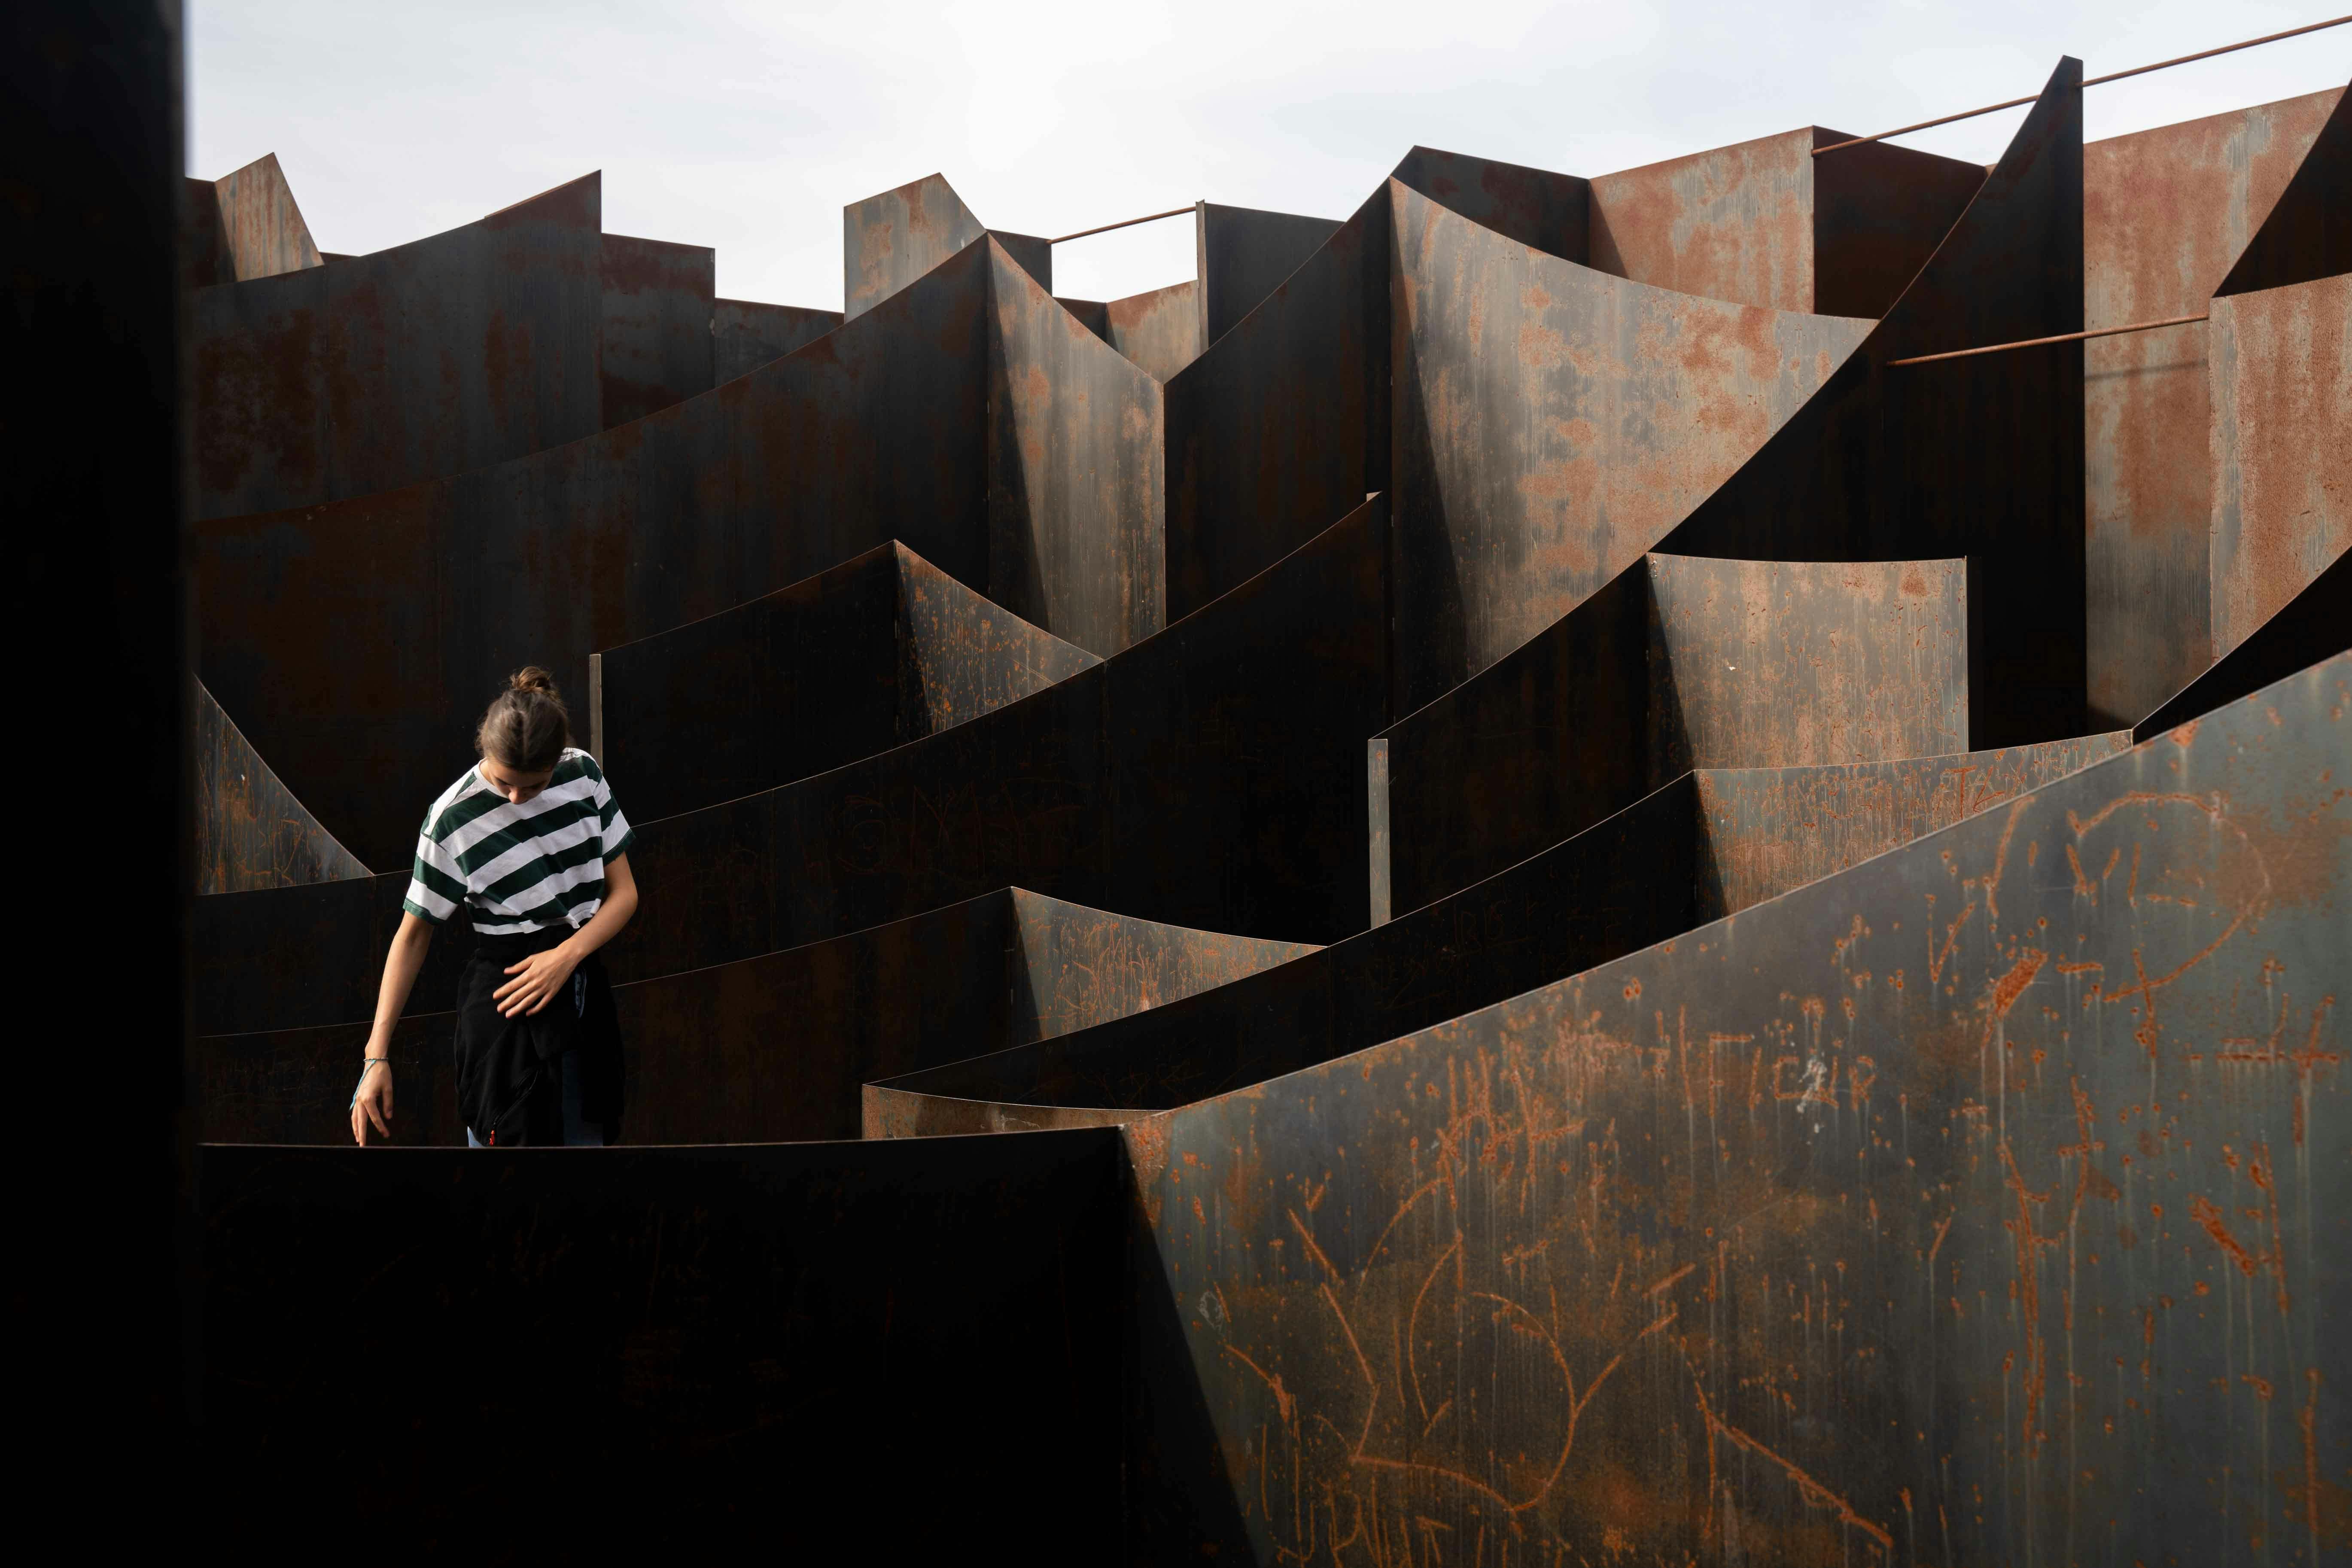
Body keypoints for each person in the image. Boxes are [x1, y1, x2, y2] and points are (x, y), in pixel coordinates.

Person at [349, 667, 639, 1147]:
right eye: (506, 783)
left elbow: (624, 893)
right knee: (503, 1161)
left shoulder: (582, 775)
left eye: (534, 786)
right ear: (486, 749)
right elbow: (412, 935)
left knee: (588, 1155)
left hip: (582, 990)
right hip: (504, 1005)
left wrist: (564, 958)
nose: (516, 798)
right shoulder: (452, 817)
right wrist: (375, 1056)